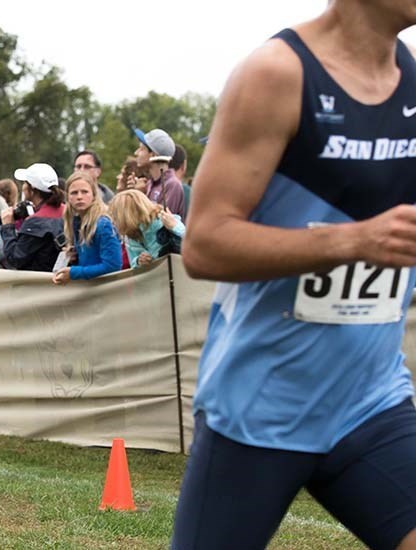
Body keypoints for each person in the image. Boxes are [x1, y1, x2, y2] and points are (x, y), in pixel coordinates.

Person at [173, 4, 416, 548]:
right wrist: (353, 242)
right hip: (260, 409)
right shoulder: (276, 74)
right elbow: (205, 244)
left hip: (371, 401)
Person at [53, 171, 122, 284]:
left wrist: (73, 273)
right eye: (74, 193)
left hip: (106, 290)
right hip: (90, 289)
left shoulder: (103, 224)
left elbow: (113, 266)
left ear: (94, 195)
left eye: (84, 192)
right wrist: (74, 258)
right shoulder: (76, 221)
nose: (79, 197)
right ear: (68, 197)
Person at [0, 162, 65, 272]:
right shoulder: (65, 211)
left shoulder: (36, 222)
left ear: (32, 189)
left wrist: (7, 227)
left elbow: (15, 258)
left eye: (25, 183)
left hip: (39, 284)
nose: (23, 187)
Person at [107, 189, 183, 268]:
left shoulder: (163, 219)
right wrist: (138, 261)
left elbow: (190, 240)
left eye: (116, 216)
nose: (114, 221)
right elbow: (133, 262)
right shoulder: (131, 234)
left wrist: (174, 226)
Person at [134, 128, 186, 219]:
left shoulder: (172, 185)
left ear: (154, 155)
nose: (136, 153)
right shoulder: (151, 183)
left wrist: (139, 197)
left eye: (141, 149)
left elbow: (161, 225)